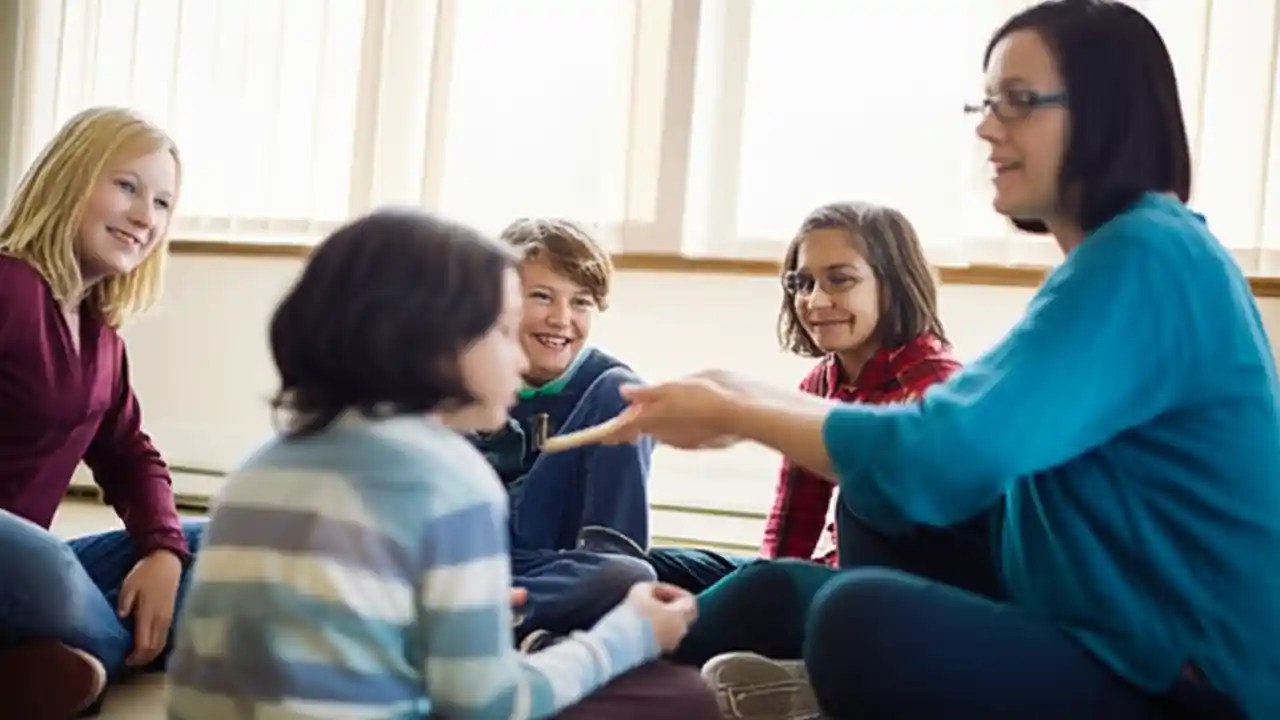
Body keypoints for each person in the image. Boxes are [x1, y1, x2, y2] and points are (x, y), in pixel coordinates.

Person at [598, 2, 1277, 717]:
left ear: (1106, 112)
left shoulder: (1144, 261)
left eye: (1018, 102)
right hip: (1105, 625)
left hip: (1190, 682)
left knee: (854, 615)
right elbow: (931, 445)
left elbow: (936, 452)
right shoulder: (1130, 257)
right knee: (872, 507)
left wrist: (739, 409)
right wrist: (737, 393)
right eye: (986, 104)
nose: (987, 127)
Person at [166, 209, 720, 720]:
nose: (518, 354)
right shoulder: (452, 480)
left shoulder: (256, 469)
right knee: (683, 696)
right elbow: (490, 705)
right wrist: (629, 635)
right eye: (502, 331)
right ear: (433, 341)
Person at [646, 202, 964, 599]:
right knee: (650, 566)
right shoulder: (820, 381)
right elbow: (795, 521)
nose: (814, 301)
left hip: (883, 598)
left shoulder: (934, 383)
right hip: (821, 574)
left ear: (893, 283)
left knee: (765, 584)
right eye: (803, 284)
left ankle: (637, 636)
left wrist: (763, 590)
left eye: (840, 280)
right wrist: (759, 592)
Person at [0, 106, 206, 718]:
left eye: (163, 203)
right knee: (45, 562)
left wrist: (163, 552)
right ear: (70, 179)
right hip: (19, 558)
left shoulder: (101, 340)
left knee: (223, 541)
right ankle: (119, 646)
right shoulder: (8, 287)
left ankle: (58, 660)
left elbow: (129, 454)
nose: (146, 217)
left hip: (28, 568)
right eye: (127, 187)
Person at [468, 217, 658, 649]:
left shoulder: (608, 386)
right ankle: (535, 632)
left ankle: (491, 622)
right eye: (541, 297)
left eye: (581, 303)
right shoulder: (468, 369)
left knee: (632, 573)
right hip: (475, 556)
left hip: (562, 562)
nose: (561, 319)